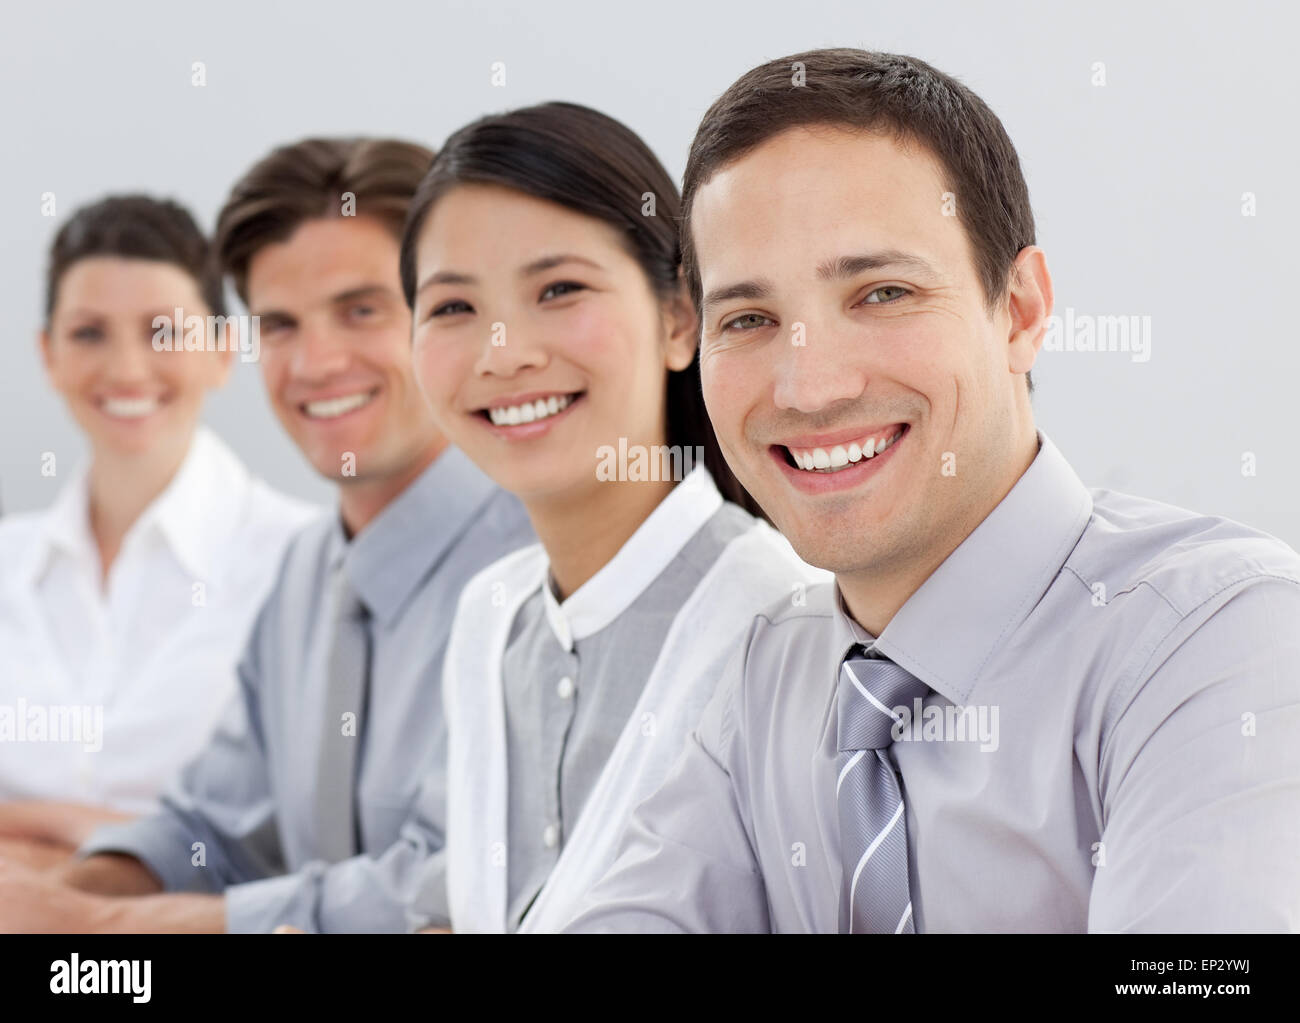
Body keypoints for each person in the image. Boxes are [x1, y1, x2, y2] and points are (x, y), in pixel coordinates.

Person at [566, 48, 1300, 933]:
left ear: (1021, 310)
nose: (809, 386)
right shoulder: (766, 674)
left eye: (882, 292)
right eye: (750, 319)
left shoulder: (1221, 637)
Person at [0, 138, 534, 932]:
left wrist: (97, 927)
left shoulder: (534, 564)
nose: (316, 361)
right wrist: (65, 896)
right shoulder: (305, 576)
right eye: (280, 324)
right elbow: (211, 830)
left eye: (361, 309)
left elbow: (454, 891)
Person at [399, 101, 826, 933]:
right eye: (452, 307)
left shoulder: (779, 626)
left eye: (558, 289)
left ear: (679, 318)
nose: (503, 351)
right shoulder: (491, 618)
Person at [0, 196, 317, 868]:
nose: (126, 370)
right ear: (47, 354)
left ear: (224, 351)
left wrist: (46, 834)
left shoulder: (305, 563)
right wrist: (94, 825)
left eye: (164, 332)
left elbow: (295, 841)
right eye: (89, 332)